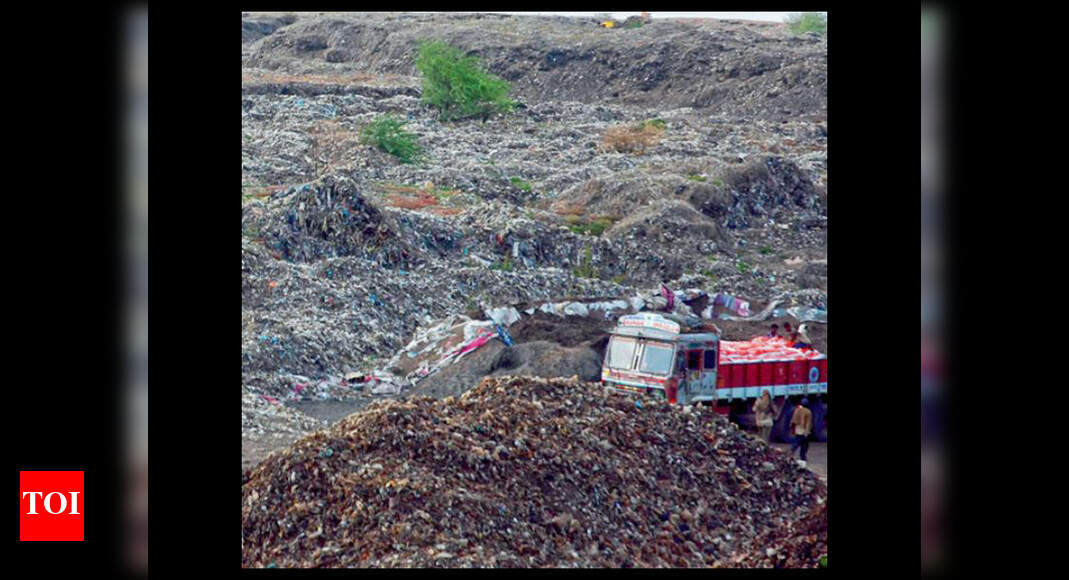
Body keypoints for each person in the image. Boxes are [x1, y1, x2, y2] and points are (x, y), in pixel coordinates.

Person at [789, 397, 813, 463]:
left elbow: (793, 419)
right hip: (803, 429)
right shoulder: (808, 412)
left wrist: (791, 426)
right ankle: (802, 456)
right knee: (804, 444)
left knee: (797, 441)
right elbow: (808, 422)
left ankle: (792, 452)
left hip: (797, 428)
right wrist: (807, 431)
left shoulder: (797, 409)